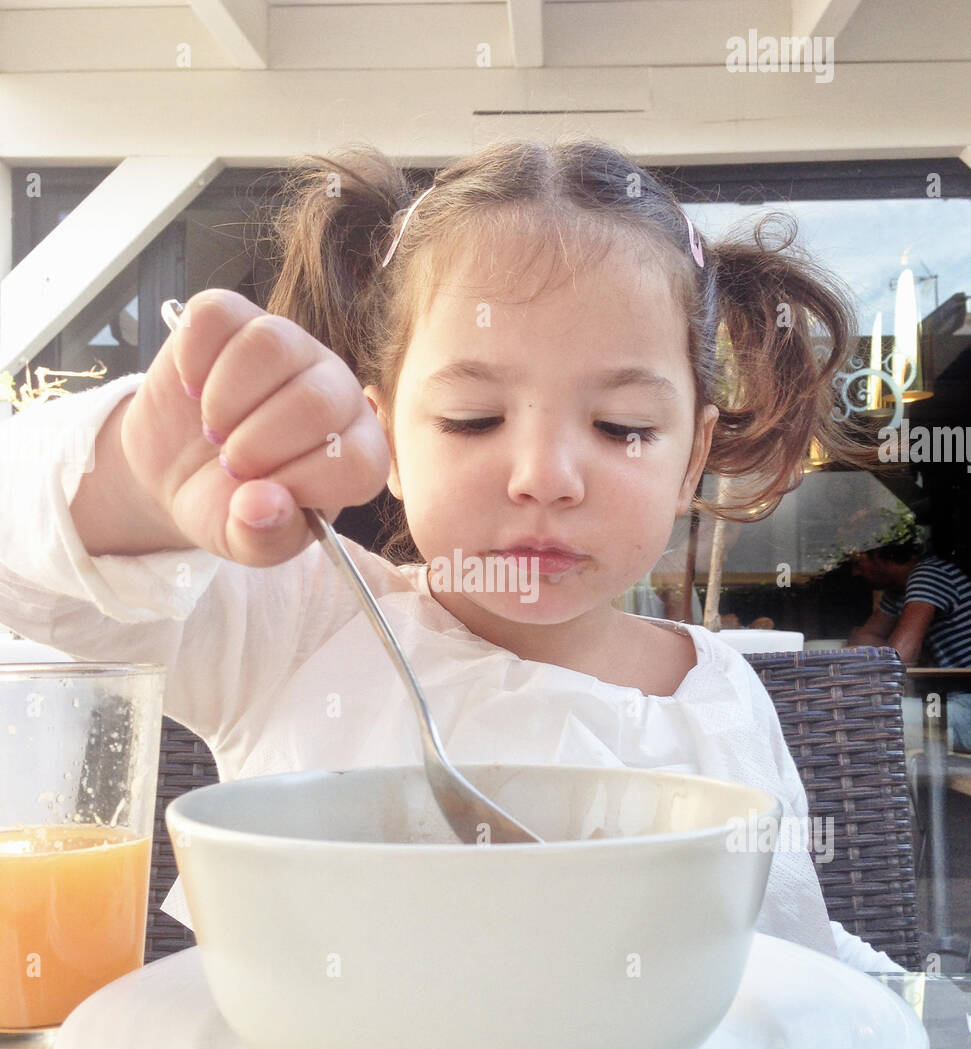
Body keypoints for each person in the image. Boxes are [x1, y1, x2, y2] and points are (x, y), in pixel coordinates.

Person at [0, 139, 899, 971]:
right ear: (386, 431)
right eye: (473, 419)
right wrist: (130, 476)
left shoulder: (722, 700)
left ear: (690, 457)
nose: (543, 477)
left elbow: (784, 962)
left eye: (621, 427)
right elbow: (28, 573)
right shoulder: (298, 625)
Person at [848, 540, 971, 752]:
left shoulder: (929, 575)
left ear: (878, 554)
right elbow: (862, 639)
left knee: (861, 713)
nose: (854, 573)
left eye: (858, 563)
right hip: (948, 701)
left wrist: (899, 646)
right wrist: (898, 645)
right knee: (861, 714)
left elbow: (899, 656)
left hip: (965, 707)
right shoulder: (898, 591)